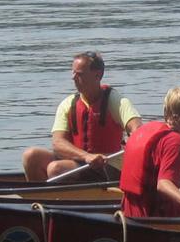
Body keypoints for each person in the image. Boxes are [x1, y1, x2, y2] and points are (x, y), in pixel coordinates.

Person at [22, 51, 142, 181]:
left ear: (97, 75)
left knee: (56, 168)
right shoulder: (68, 104)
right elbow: (58, 143)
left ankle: (59, 198)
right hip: (78, 161)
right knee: (31, 156)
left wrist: (134, 138)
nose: (73, 78)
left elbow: (137, 128)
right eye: (73, 73)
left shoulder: (115, 100)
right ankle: (39, 198)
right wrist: (85, 156)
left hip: (107, 167)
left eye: (79, 74)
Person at [118, 87, 180, 222]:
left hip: (132, 208)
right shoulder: (176, 142)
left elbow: (167, 166)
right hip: (157, 213)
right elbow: (163, 184)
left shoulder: (149, 129)